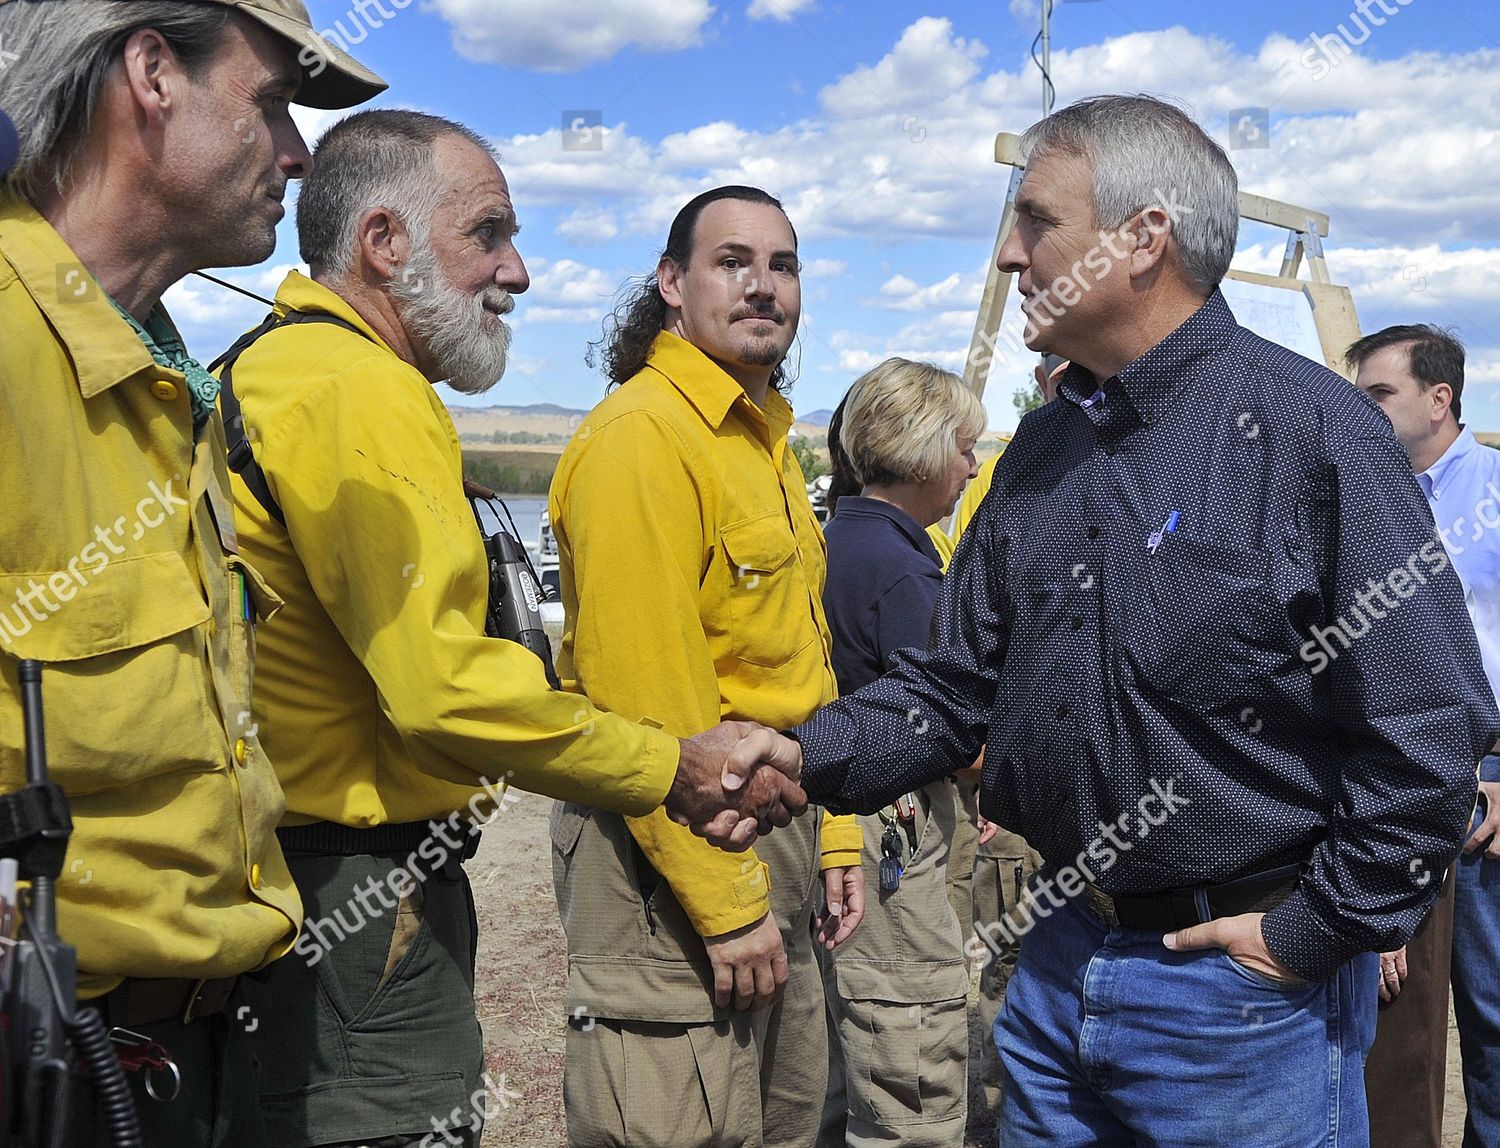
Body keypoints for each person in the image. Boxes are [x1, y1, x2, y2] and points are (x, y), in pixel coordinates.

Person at [783, 94, 1499, 1146]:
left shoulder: (1316, 433)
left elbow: (1432, 729)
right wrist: (790, 758)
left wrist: (1311, 930)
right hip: (1058, 967)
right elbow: (950, 689)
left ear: (1143, 237)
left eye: (1035, 222)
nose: (1010, 258)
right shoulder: (1041, 450)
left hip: (1244, 1004)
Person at [218, 119, 804, 1147]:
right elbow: (442, 685)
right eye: (489, 233)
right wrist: (667, 764)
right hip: (354, 897)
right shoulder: (358, 390)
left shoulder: (286, 366)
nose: (519, 271)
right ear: (384, 243)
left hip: (323, 880)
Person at [0, 1, 380, 1142]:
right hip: (46, 1073)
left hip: (189, 1060)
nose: (299, 153)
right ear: (152, 72)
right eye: (270, 102)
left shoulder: (170, 380)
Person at [548, 184, 863, 1148]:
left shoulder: (762, 440)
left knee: (786, 1119)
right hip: (678, 839)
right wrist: (727, 907)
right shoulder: (643, 438)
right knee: (676, 1119)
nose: (763, 287)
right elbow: (649, 704)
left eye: (783, 265)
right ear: (672, 285)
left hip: (781, 831)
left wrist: (838, 831)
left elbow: (806, 667)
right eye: (733, 263)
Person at [815, 358, 983, 1148]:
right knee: (909, 1044)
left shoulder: (837, 539)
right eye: (963, 445)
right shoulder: (906, 572)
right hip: (892, 832)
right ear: (920, 453)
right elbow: (956, 730)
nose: (973, 465)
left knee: (837, 1057)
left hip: (838, 824)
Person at [1350, 324, 1500, 1148]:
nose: (1362, 410)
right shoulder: (1361, 498)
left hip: (1488, 788)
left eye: (1380, 393)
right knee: (1391, 1016)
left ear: (1440, 400)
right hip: (1384, 781)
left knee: (1493, 1014)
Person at [946, 353, 1063, 1124]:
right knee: (1008, 960)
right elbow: (973, 650)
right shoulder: (1011, 477)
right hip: (1020, 785)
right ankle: (993, 1118)